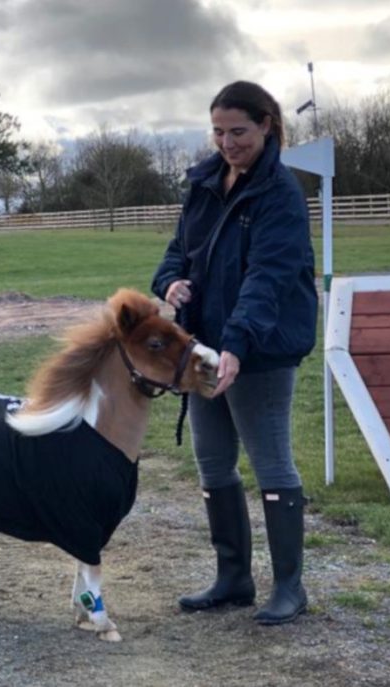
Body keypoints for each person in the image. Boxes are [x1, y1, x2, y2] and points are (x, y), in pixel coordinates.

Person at [151, 81, 318, 625]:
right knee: (212, 461)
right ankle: (233, 578)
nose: (227, 142)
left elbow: (266, 279)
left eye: (239, 131)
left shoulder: (280, 195)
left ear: (267, 124)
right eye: (219, 131)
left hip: (260, 350)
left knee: (271, 463)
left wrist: (239, 346)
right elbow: (179, 251)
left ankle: (290, 588)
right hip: (204, 344)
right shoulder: (203, 182)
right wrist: (170, 282)